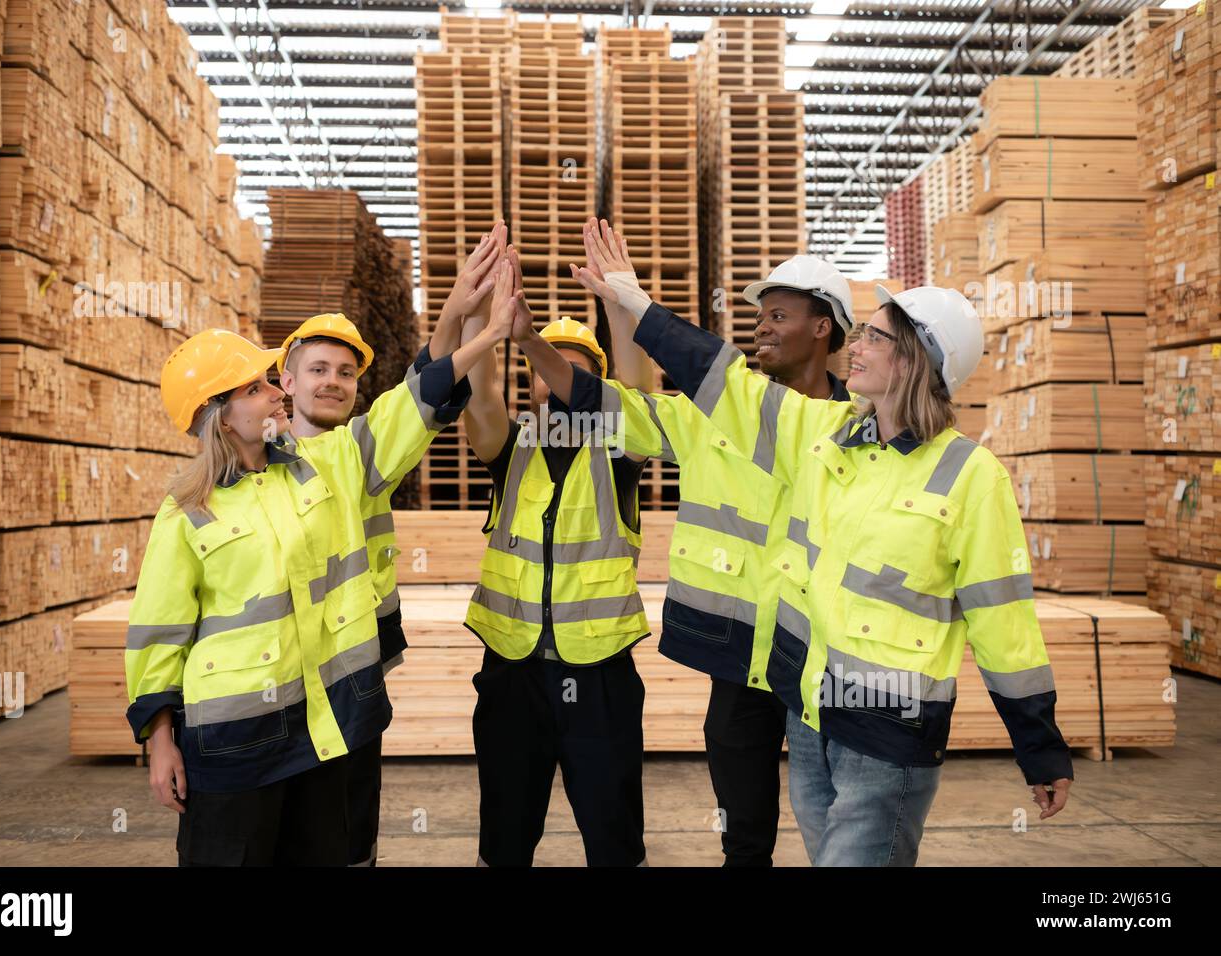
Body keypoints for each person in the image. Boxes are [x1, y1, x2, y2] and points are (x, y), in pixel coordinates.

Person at [571, 220, 1073, 867]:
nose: (856, 344)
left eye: (876, 336)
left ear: (915, 360)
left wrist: (1038, 744)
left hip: (888, 737)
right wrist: (628, 306)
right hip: (814, 717)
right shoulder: (831, 437)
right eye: (860, 331)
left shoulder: (971, 477)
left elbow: (1005, 624)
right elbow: (724, 383)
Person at [125, 303, 509, 866]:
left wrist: (485, 333)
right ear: (222, 415)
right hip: (231, 744)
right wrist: (160, 743)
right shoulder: (185, 513)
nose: (275, 394)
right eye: (256, 388)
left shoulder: (327, 462)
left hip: (319, 728)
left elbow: (411, 404)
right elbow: (158, 634)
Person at [575, 219, 855, 866]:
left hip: (822, 656)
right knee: (743, 840)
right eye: (759, 314)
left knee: (839, 827)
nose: (760, 325)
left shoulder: (850, 424)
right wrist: (601, 317)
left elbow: (716, 374)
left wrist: (638, 306)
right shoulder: (723, 412)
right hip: (740, 661)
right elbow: (629, 409)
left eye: (778, 314)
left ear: (822, 328)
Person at [273, 229, 505, 865]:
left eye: (346, 373)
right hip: (273, 682)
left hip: (350, 679)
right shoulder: (250, 463)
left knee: (349, 840)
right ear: (285, 381)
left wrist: (461, 312)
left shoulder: (360, 449)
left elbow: (419, 394)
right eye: (318, 370)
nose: (334, 382)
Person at [455, 247, 652, 867]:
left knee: (613, 832)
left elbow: (640, 388)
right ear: (532, 381)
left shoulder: (620, 451)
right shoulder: (506, 447)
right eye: (548, 368)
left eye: (577, 372)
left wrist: (621, 298)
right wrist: (483, 311)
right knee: (506, 832)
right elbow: (478, 391)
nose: (558, 380)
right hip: (513, 672)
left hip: (599, 670)